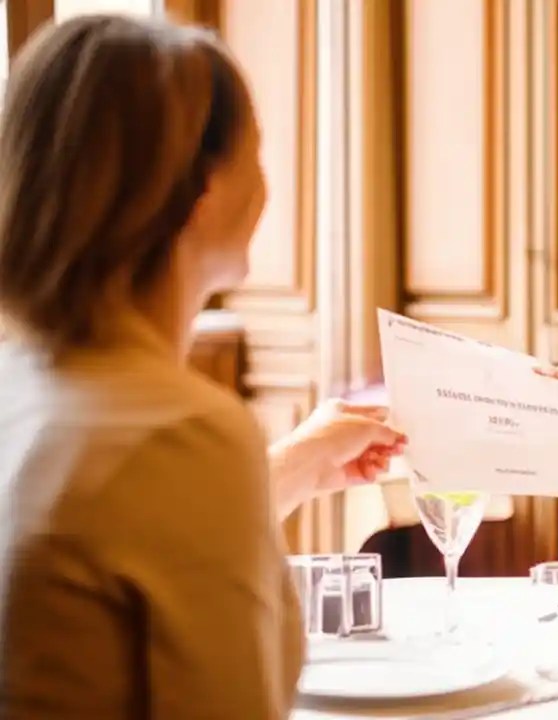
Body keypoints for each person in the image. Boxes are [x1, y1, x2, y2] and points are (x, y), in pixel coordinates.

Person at [0, 15, 403, 718]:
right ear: (203, 190)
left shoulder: (24, 387)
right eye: (259, 154)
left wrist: (288, 468)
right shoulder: (183, 433)